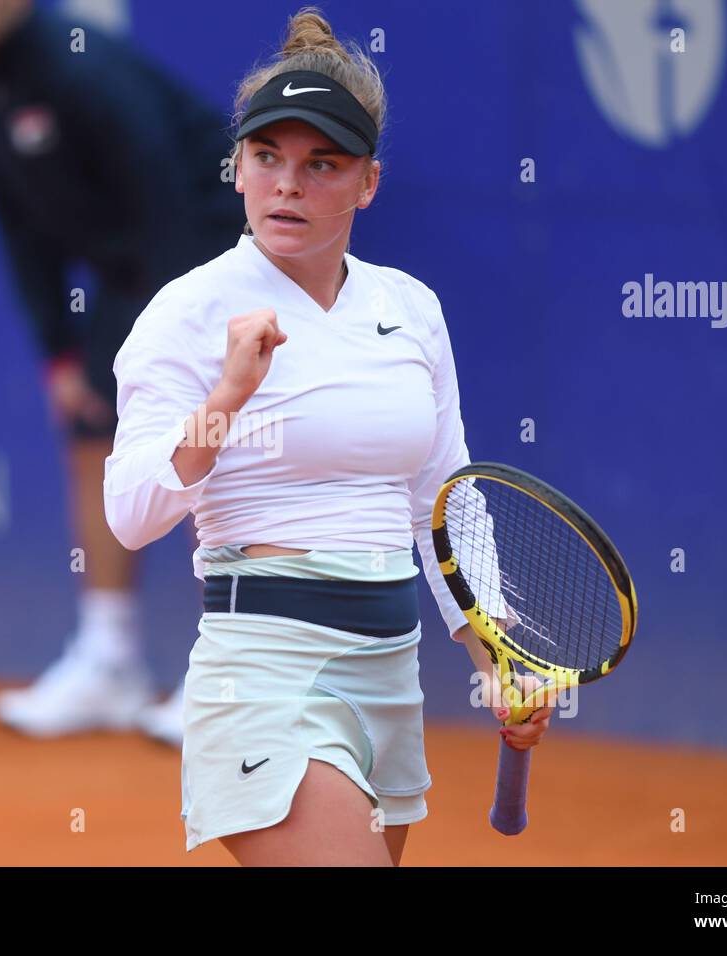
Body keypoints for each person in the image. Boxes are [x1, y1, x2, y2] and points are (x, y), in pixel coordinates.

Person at [103, 7, 553, 866]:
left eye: (322, 166)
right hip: (262, 670)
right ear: (236, 168)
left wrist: (495, 650)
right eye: (267, 159)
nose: (288, 186)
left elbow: (444, 499)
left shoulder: (410, 310)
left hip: (389, 672)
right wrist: (227, 396)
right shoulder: (188, 314)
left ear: (368, 183)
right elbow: (131, 513)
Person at [0, 0, 243, 745]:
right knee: (88, 421)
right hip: (132, 270)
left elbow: (169, 197)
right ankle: (110, 663)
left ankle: (233, 676)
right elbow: (20, 225)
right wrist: (61, 352)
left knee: (223, 443)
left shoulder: (81, 67)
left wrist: (182, 340)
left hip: (213, 245)